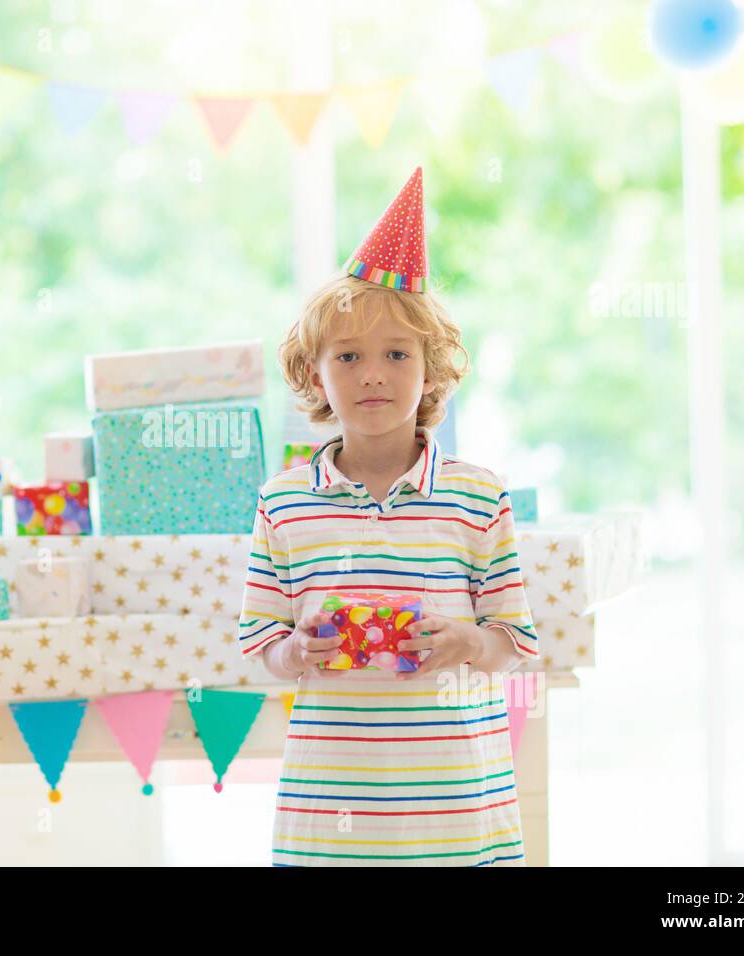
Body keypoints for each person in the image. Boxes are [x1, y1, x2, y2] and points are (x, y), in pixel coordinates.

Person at [238, 167, 539, 866]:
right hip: (331, 806)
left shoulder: (478, 497)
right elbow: (261, 643)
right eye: (349, 356)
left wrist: (465, 640)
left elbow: (513, 644)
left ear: (431, 371)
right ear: (317, 376)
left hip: (455, 809)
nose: (373, 373)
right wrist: (296, 650)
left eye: (396, 355)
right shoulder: (281, 503)